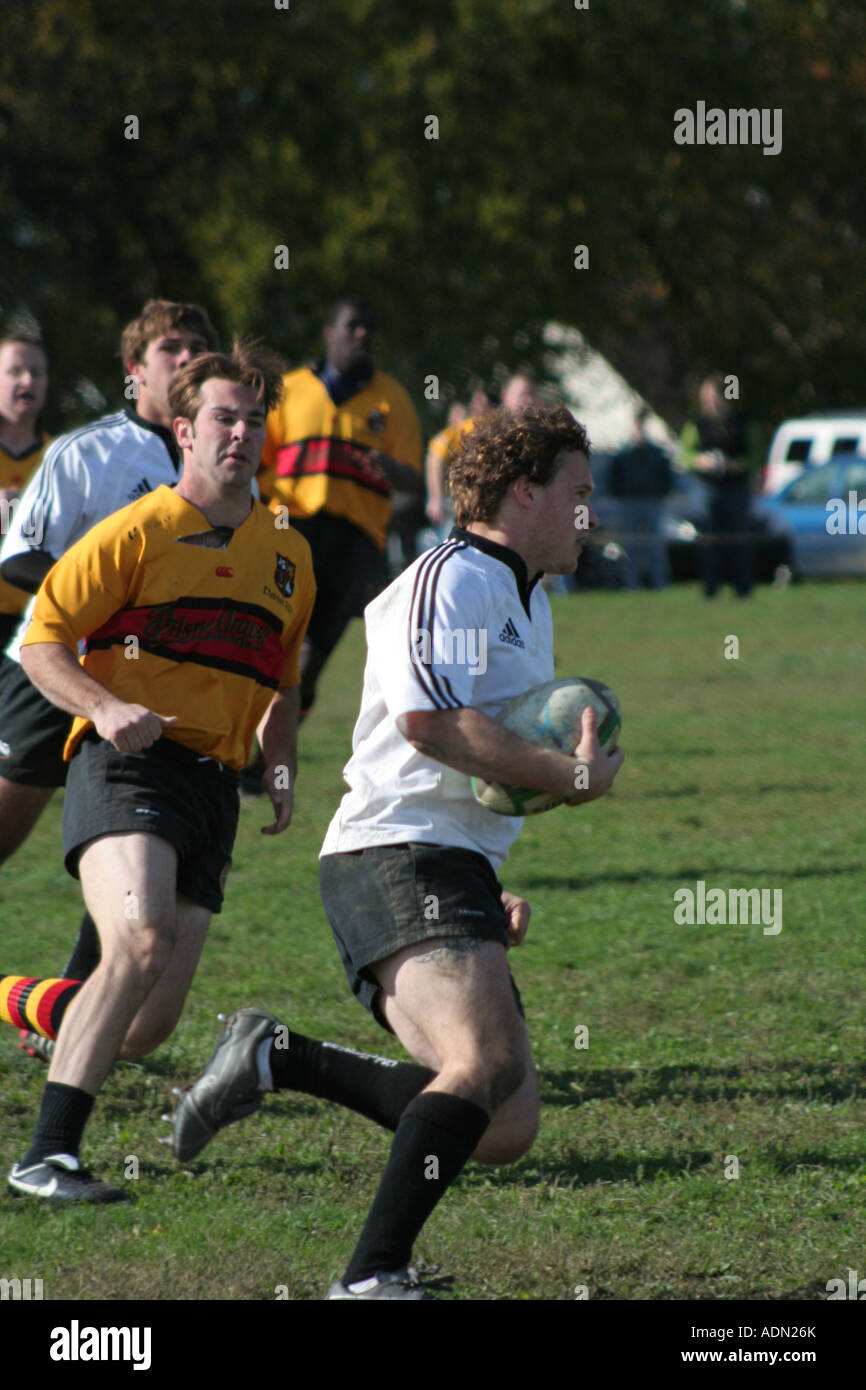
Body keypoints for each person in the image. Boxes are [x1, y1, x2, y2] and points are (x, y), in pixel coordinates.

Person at [171, 404, 625, 1299]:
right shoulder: (448, 578)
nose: (591, 516)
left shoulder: (526, 603)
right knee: (483, 1068)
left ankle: (278, 1057)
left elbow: (485, 764)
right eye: (578, 494)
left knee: (505, 1123)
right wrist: (568, 778)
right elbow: (428, 724)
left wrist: (490, 879)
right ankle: (371, 1278)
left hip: (448, 862)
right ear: (525, 493)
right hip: (394, 854)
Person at [6, 340, 315, 1203]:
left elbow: (283, 675)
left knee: (144, 1025)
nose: (242, 434)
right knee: (138, 943)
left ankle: (28, 999)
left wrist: (280, 764)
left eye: (256, 421)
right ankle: (47, 1156)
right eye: (224, 417)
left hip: (213, 788)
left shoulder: (289, 551)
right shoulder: (135, 531)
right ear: (183, 429)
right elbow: (39, 643)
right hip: (125, 767)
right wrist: (104, 708)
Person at [0, 300, 218, 1045]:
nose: (186, 358)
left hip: (147, 692)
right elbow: (18, 555)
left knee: (140, 854)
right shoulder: (86, 452)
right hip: (54, 670)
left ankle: (61, 1015)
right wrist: (105, 593)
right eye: (170, 348)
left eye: (198, 348)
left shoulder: (213, 470)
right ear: (135, 371)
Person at [258, 296, 423, 717]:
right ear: (329, 334)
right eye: (353, 326)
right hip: (290, 529)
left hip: (356, 541)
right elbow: (258, 464)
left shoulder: (391, 400)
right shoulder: (288, 390)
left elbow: (415, 480)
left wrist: (390, 468)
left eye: (369, 327)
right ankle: (245, 754)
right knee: (274, 643)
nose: (363, 334)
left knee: (313, 655)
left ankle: (267, 760)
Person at [679, 375, 763, 598]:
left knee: (739, 539)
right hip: (707, 489)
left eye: (712, 397)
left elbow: (755, 456)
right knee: (709, 540)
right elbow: (683, 455)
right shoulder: (696, 424)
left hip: (736, 489)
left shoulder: (744, 423)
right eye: (705, 397)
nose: (708, 402)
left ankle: (743, 589)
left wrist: (736, 465)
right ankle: (710, 589)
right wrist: (700, 461)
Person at [0, 333, 51, 654]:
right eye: (15, 371)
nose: (27, 380)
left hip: (34, 622)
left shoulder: (60, 457)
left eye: (37, 372)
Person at [609, 405, 673, 590]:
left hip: (652, 501)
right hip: (629, 502)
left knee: (655, 548)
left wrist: (660, 494)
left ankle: (660, 584)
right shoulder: (623, 453)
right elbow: (614, 478)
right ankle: (631, 585)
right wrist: (621, 494)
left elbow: (665, 477)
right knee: (630, 548)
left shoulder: (656, 453)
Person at [424, 390, 493, 543]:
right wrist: (437, 498)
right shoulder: (473, 427)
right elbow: (436, 453)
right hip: (458, 505)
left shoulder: (484, 424)